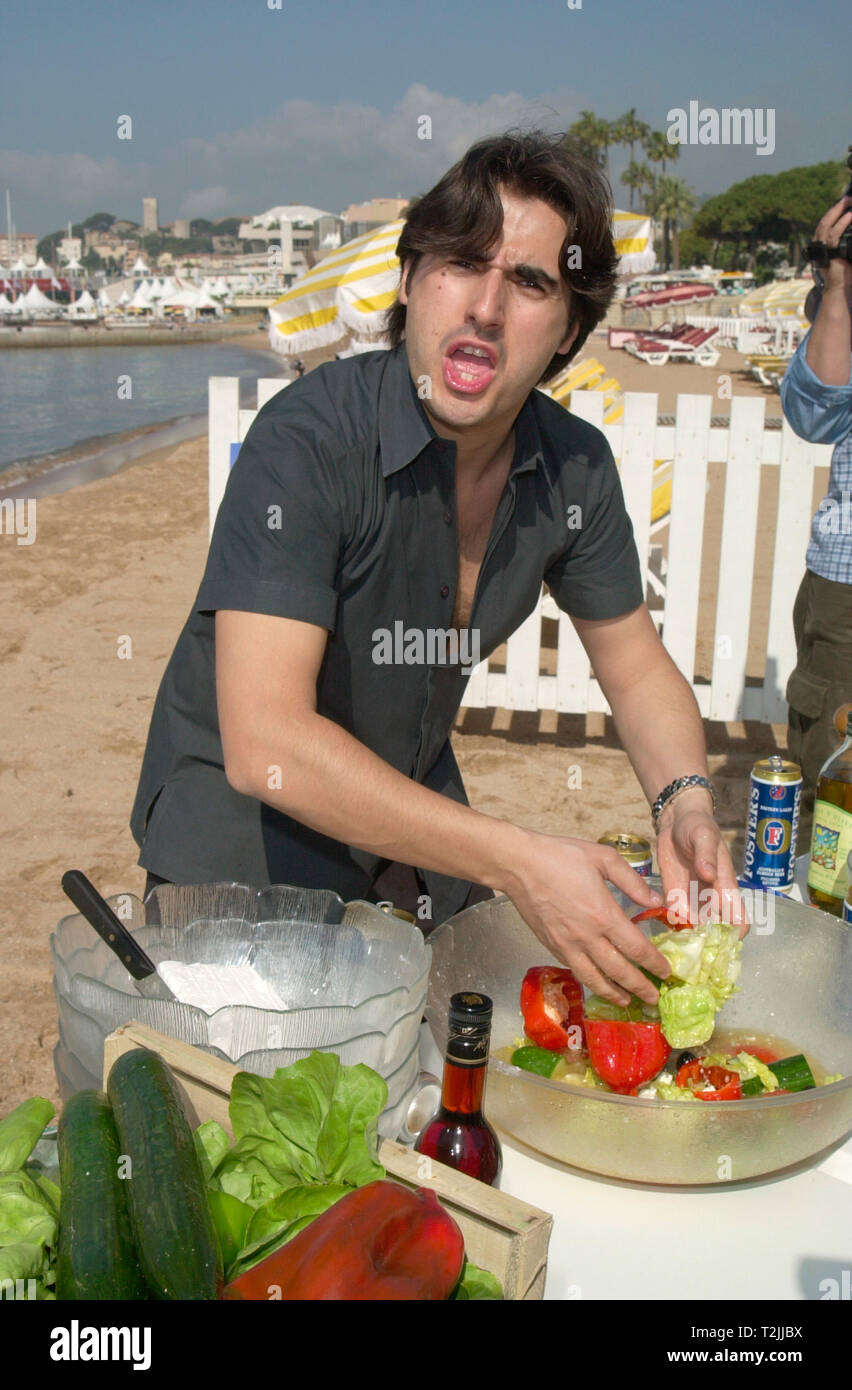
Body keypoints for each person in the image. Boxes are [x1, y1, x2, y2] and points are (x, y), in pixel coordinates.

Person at [131, 130, 745, 1007]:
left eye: (530, 281)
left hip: (409, 824)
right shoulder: (307, 444)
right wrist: (520, 859)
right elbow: (265, 745)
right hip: (240, 848)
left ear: (570, 327)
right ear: (413, 281)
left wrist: (684, 798)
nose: (486, 307)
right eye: (461, 262)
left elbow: (636, 663)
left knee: (469, 1065)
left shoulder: (573, 467)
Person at [780, 190, 852, 844]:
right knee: (834, 784)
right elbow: (817, 414)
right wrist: (836, 286)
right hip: (846, 584)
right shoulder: (842, 290)